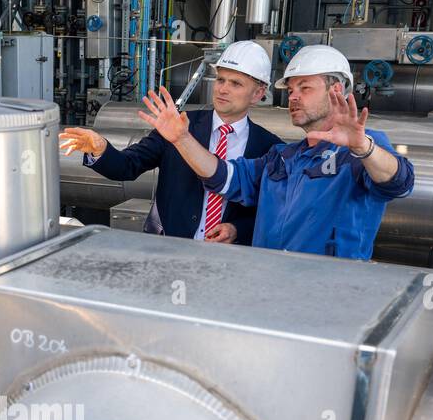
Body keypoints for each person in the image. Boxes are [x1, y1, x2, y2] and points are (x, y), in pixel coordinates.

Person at [136, 44, 415, 262]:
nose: (293, 96)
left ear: (336, 90)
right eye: (291, 89)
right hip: (267, 284)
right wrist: (182, 139)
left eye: (304, 88)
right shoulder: (282, 157)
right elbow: (224, 176)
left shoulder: (358, 153)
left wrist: (362, 147)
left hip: (328, 293)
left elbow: (399, 182)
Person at [58, 41, 281, 245]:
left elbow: (270, 211)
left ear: (257, 93)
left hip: (231, 258)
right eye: (221, 80)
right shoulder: (181, 125)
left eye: (236, 84)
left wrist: (237, 229)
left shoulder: (269, 147)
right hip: (170, 248)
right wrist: (101, 149)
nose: (223, 89)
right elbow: (128, 165)